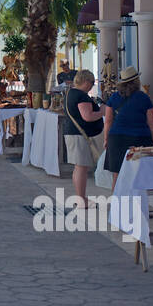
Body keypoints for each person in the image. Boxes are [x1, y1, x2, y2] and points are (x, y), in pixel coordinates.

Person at [103, 66, 153, 176]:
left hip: (116, 139)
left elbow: (108, 121)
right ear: (136, 81)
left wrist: (106, 139)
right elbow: (152, 121)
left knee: (117, 176)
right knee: (139, 175)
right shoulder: (144, 98)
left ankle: (118, 194)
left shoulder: (113, 97)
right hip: (140, 138)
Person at [62, 69, 105, 205]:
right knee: (81, 167)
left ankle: (80, 198)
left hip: (73, 133)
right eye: (92, 83)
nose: (92, 86)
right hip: (79, 135)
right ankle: (81, 200)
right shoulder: (81, 96)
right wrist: (102, 111)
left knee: (78, 167)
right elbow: (88, 116)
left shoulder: (71, 93)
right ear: (86, 81)